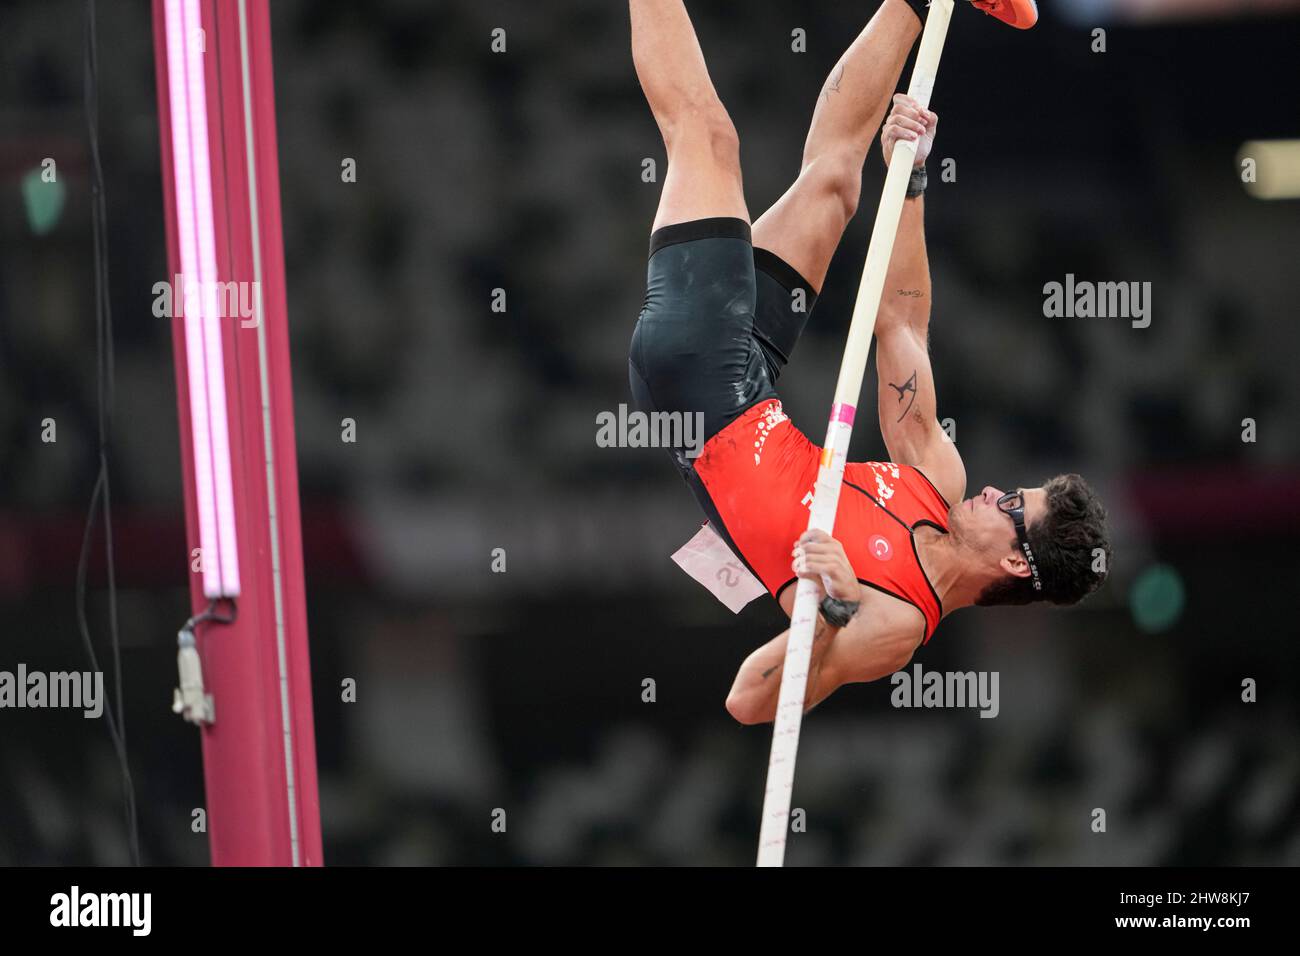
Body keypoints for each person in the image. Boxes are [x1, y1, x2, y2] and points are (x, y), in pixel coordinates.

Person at [626, 0, 1108, 725]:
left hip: (700, 387)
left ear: (1015, 563)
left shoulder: (896, 628)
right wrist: (906, 185)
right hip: (749, 380)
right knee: (836, 183)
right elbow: (902, 323)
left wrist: (833, 609)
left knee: (707, 137)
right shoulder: (937, 482)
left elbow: (750, 700)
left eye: (1014, 506)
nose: (997, 491)